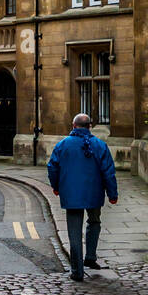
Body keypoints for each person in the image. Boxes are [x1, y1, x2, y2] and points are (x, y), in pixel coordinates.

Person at [47, 113, 118, 282]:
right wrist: (112, 194)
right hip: (94, 193)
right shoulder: (100, 145)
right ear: (90, 127)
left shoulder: (62, 145)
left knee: (74, 232)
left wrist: (56, 186)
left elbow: (52, 168)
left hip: (71, 194)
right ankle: (91, 257)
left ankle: (77, 271)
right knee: (94, 222)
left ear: (73, 126)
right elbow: (109, 172)